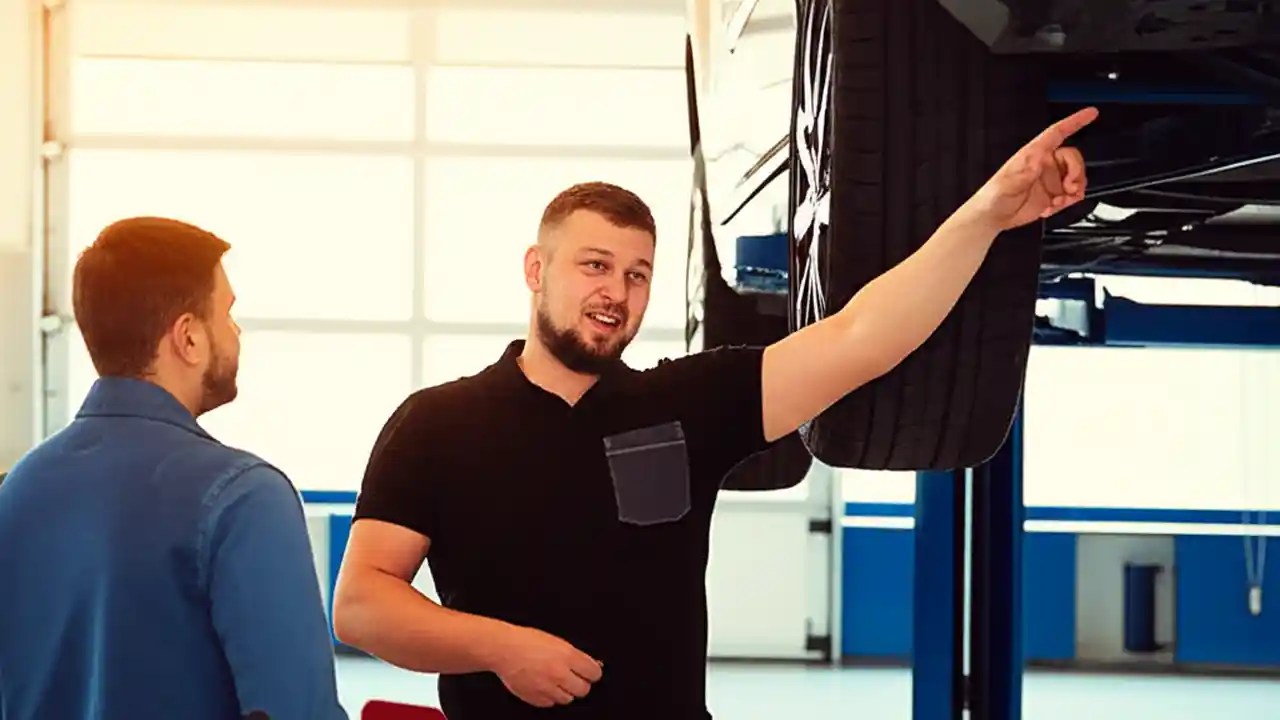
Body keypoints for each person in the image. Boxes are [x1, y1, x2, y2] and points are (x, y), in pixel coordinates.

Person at [333, 107, 1099, 719]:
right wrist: (501, 649)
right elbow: (363, 604)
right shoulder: (436, 424)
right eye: (594, 265)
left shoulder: (687, 403)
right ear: (537, 270)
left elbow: (866, 338)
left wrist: (991, 212)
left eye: (637, 275)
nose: (616, 293)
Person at [0, 217, 348, 720]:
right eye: (227, 315)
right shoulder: (244, 498)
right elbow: (296, 710)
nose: (236, 333)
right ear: (188, 337)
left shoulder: (19, 490)